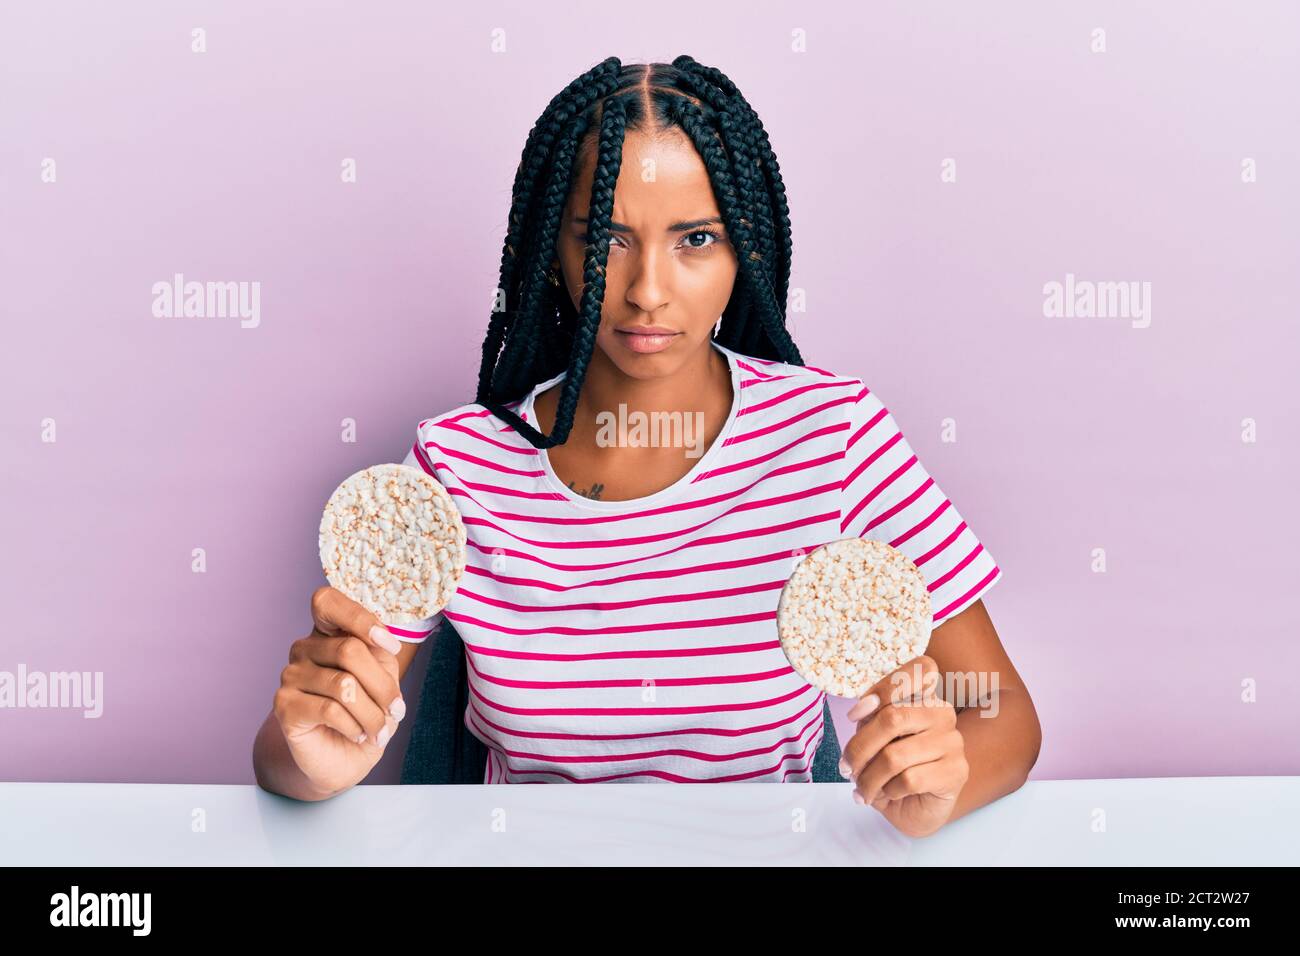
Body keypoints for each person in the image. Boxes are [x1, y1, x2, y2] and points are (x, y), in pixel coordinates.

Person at [253, 55, 1041, 838]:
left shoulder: (833, 437)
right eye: (605, 240)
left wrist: (941, 780)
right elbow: (297, 756)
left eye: (696, 238)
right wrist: (312, 760)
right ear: (550, 250)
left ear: (746, 248)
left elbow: (1002, 715)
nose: (647, 291)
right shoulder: (458, 467)